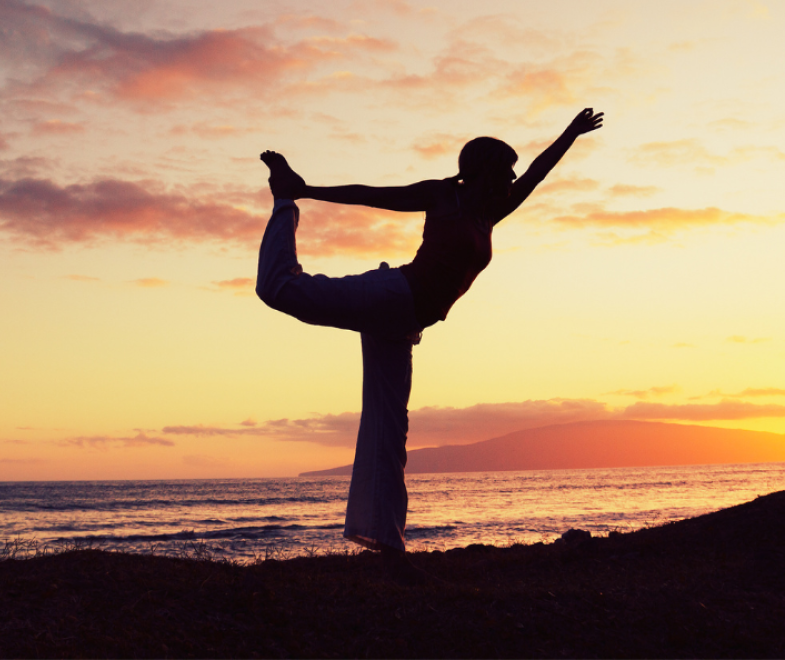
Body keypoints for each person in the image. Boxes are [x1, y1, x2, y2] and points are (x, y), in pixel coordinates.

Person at [257, 107, 604, 567]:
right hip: (392, 294)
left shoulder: (491, 212)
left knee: (389, 429)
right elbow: (374, 196)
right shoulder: (443, 197)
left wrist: (571, 134)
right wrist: (303, 191)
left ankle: (387, 543)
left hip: (404, 323)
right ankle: (284, 202)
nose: (514, 177)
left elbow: (538, 173)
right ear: (484, 170)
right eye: (507, 169)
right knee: (280, 289)